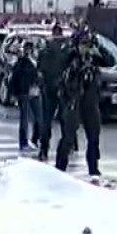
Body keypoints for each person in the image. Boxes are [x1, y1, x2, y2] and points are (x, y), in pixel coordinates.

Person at [56, 30, 105, 176]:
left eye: (88, 44)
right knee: (69, 136)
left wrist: (97, 50)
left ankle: (93, 167)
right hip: (73, 100)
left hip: (90, 100)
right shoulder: (70, 59)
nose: (86, 48)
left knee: (94, 134)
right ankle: (60, 167)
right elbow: (63, 81)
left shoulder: (93, 59)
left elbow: (107, 62)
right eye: (83, 44)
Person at [37, 25, 71, 158]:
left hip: (48, 88)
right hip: (62, 88)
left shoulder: (45, 50)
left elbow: (39, 70)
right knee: (64, 119)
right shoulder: (65, 51)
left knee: (47, 120)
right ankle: (67, 146)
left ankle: (44, 149)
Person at [9, 41, 42, 153]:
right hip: (24, 93)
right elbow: (14, 78)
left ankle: (34, 140)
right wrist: (14, 93)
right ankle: (23, 142)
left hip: (34, 92)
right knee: (25, 119)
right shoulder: (22, 62)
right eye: (26, 49)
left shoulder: (36, 61)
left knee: (38, 118)